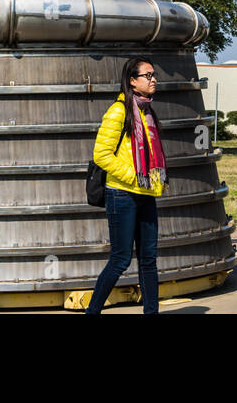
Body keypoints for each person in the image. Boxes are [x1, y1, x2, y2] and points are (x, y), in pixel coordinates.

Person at [86, 56, 168, 314]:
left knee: (148, 261)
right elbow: (101, 154)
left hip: (145, 194)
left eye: (154, 75)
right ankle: (92, 311)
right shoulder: (119, 111)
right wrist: (132, 176)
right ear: (132, 81)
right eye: (147, 76)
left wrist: (150, 181)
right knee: (120, 260)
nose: (153, 80)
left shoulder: (147, 111)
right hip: (121, 194)